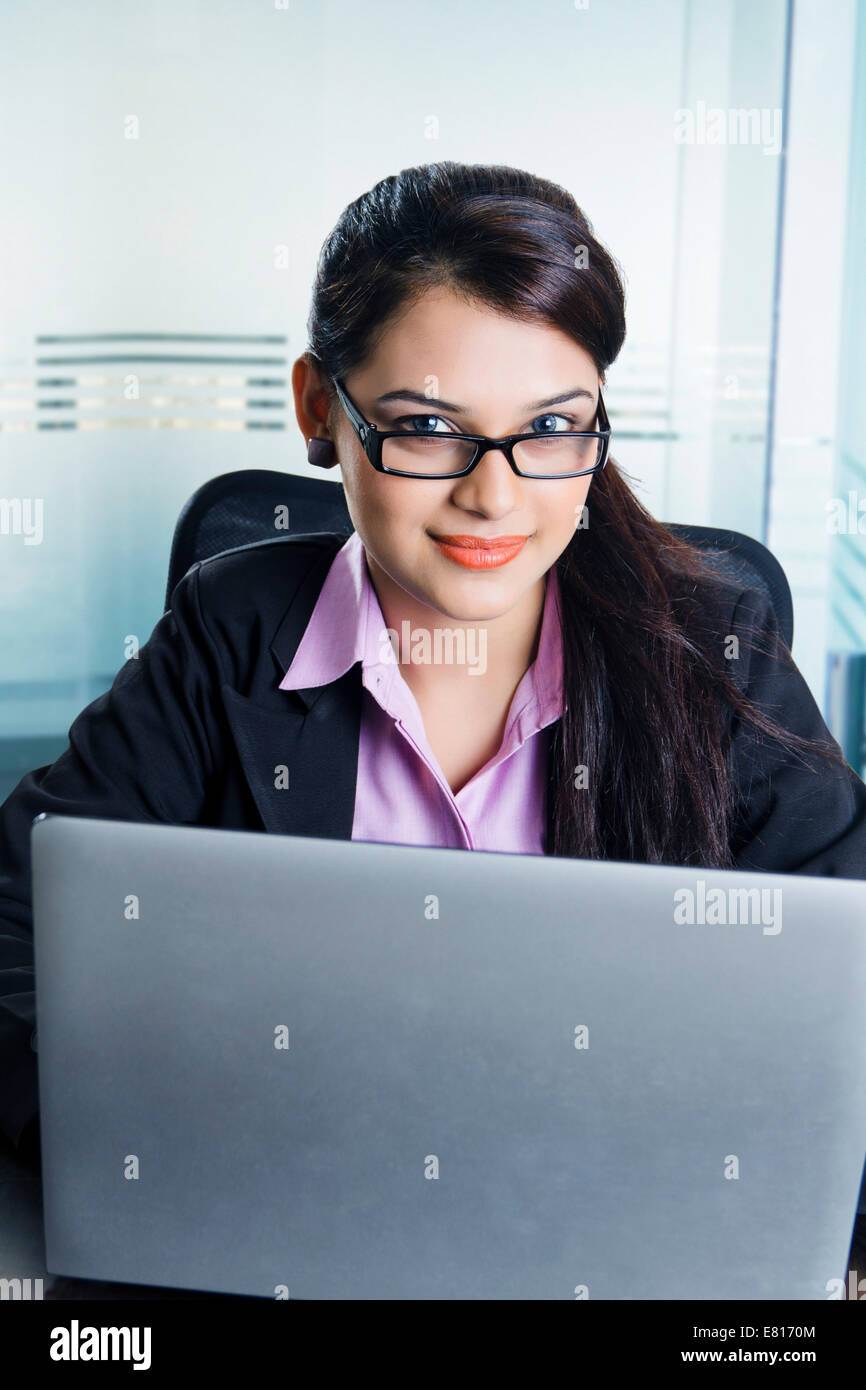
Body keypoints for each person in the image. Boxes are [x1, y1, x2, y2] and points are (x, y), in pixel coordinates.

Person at [2, 162, 865, 1196]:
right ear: (319, 408)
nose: (492, 497)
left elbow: (841, 986)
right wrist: (150, 1164)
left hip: (608, 1213)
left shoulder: (711, 646)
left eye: (549, 429)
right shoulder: (229, 629)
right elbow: (20, 929)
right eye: (426, 427)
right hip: (284, 1201)